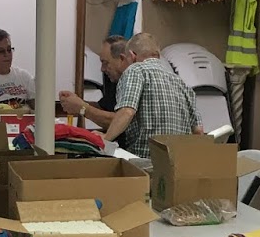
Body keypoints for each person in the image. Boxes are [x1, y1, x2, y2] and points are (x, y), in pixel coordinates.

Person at [59, 33, 198, 157]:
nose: (102, 69)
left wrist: (105, 138)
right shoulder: (180, 82)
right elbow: (198, 131)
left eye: (105, 62)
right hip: (176, 162)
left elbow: (127, 112)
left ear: (130, 56)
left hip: (143, 159)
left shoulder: (135, 70)